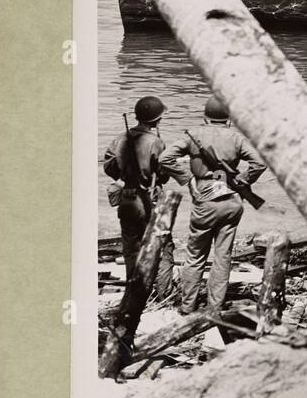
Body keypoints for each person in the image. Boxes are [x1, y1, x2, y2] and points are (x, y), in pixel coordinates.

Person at [161, 95, 268, 315]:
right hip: (231, 200)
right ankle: (215, 307)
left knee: (195, 255)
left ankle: (187, 306)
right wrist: (243, 181)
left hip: (205, 199)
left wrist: (187, 179)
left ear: (205, 117)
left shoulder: (194, 134)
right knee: (223, 255)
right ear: (228, 119)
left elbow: (165, 158)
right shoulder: (237, 138)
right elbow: (259, 163)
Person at [102, 95, 176, 299]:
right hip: (150, 199)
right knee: (162, 246)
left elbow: (109, 167)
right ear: (157, 120)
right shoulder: (156, 142)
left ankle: (134, 295)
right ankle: (164, 295)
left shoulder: (120, 138)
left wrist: (125, 175)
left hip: (127, 198)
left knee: (131, 248)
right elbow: (164, 174)